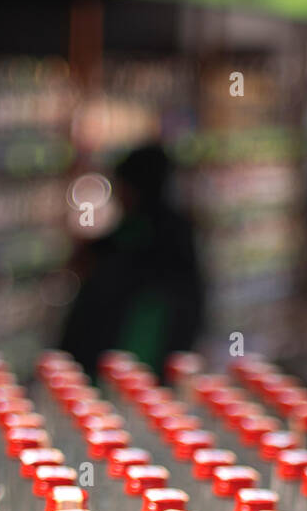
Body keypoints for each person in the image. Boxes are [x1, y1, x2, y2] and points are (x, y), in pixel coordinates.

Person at [60, 142, 204, 380]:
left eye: (122, 186)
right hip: (134, 363)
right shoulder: (160, 230)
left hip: (136, 356)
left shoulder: (150, 235)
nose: (119, 195)